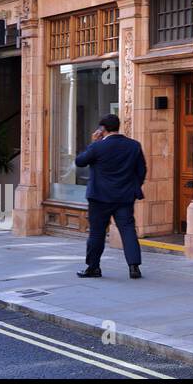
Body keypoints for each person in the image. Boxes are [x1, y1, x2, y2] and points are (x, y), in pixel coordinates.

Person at [74, 114, 147, 279]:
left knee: (97, 233)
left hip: (99, 198)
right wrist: (132, 187)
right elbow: (142, 171)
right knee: (128, 230)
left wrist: (93, 143)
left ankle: (93, 268)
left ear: (102, 129)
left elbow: (79, 161)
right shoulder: (134, 145)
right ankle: (134, 267)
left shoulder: (97, 147)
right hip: (124, 197)